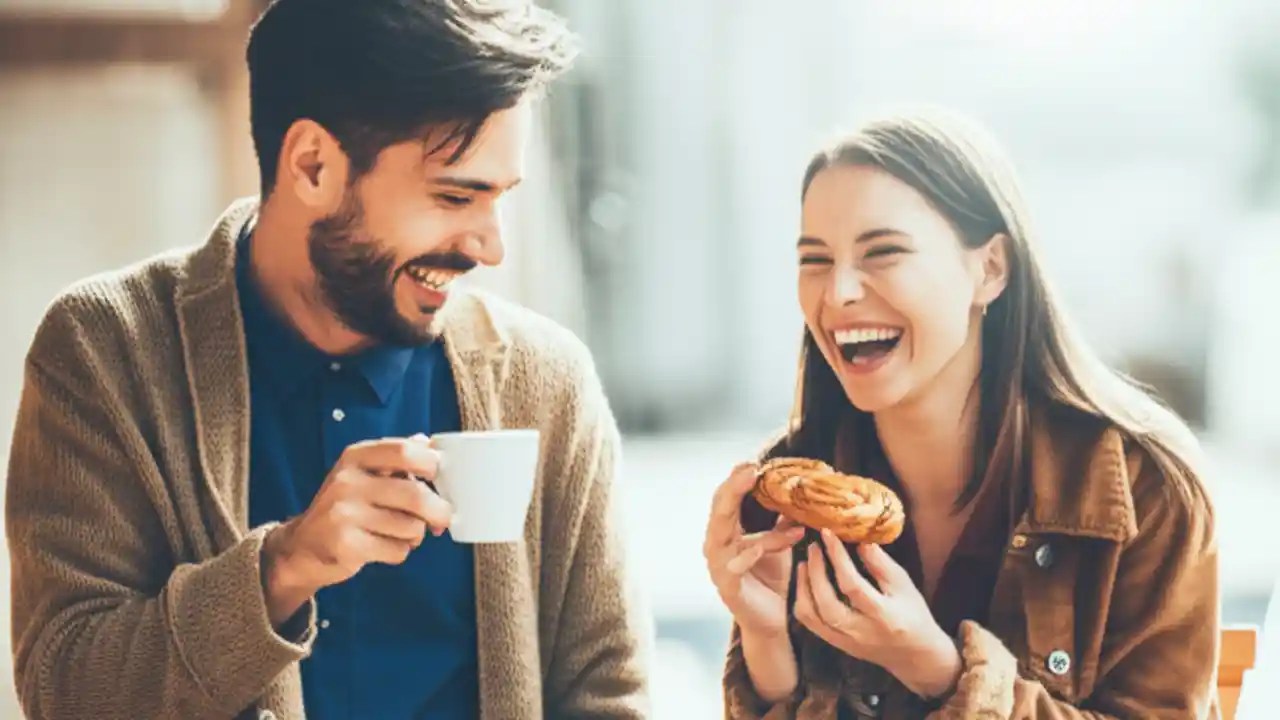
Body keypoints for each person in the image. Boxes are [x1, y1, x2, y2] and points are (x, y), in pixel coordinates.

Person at [5, 1, 650, 718]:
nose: (490, 247)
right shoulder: (104, 352)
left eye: (500, 199)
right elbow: (64, 690)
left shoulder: (547, 381)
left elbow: (609, 697)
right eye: (454, 196)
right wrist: (281, 571)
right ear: (313, 165)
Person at [704, 110, 1218, 718]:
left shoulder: (1143, 491)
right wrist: (766, 649)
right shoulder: (789, 491)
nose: (837, 293)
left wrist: (942, 673)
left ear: (990, 268)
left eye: (883, 252)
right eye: (814, 259)